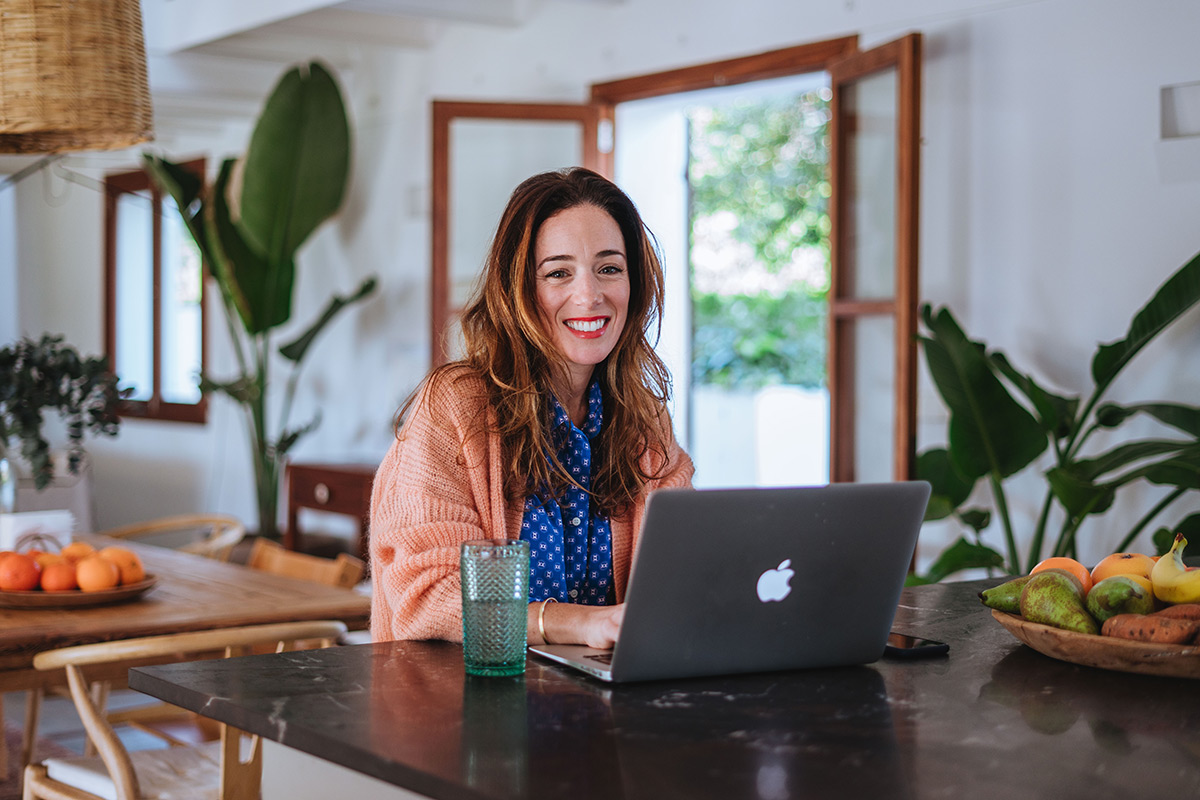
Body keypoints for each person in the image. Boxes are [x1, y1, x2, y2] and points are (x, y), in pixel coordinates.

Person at [370, 167, 694, 649]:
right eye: (558, 273)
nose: (590, 295)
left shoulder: (646, 422)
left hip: (602, 705)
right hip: (457, 707)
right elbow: (429, 597)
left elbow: (682, 572)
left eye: (609, 268)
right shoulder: (454, 407)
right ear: (519, 289)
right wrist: (580, 623)